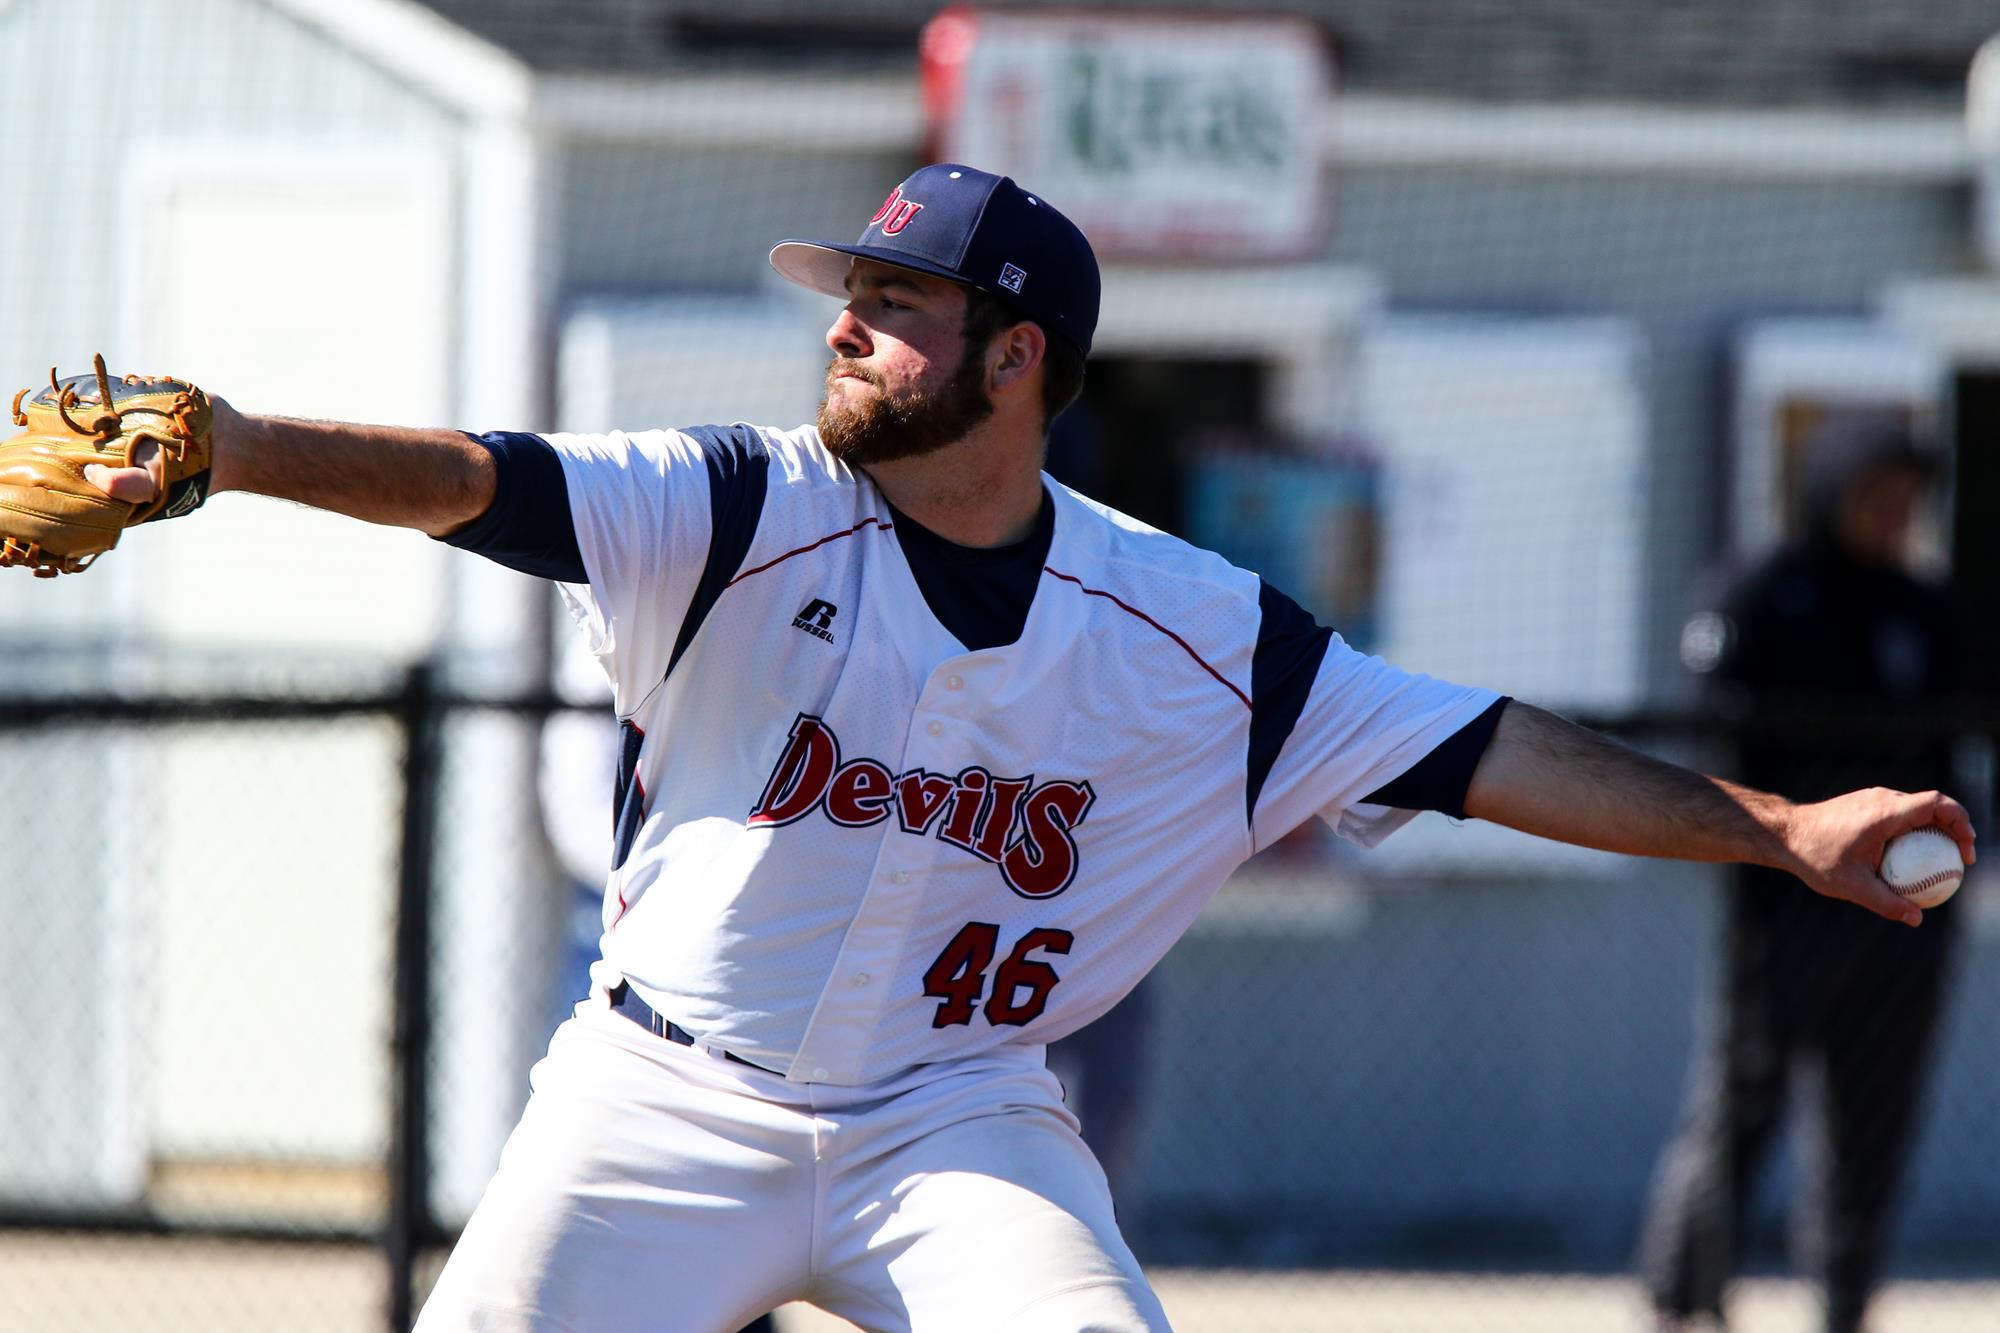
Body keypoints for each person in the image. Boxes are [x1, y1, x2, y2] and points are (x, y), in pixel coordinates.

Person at [76, 165, 1970, 1332]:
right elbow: (485, 482)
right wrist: (233, 448)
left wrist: (1784, 825)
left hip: (953, 1116)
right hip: (659, 1095)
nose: (854, 327)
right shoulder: (737, 503)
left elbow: (1479, 748)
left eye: (901, 305)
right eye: (851, 295)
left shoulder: (1190, 627)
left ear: (1017, 361)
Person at [1639, 412, 1967, 1333]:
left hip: (1905, 923)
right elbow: (1707, 732)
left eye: (1909, 496)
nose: (1894, 512)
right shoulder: (1760, 592)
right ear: (1830, 489)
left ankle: (1844, 1307)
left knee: (1874, 1123)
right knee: (1738, 1104)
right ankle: (1682, 1304)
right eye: (1877, 492)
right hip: (1782, 911)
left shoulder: (1925, 612)